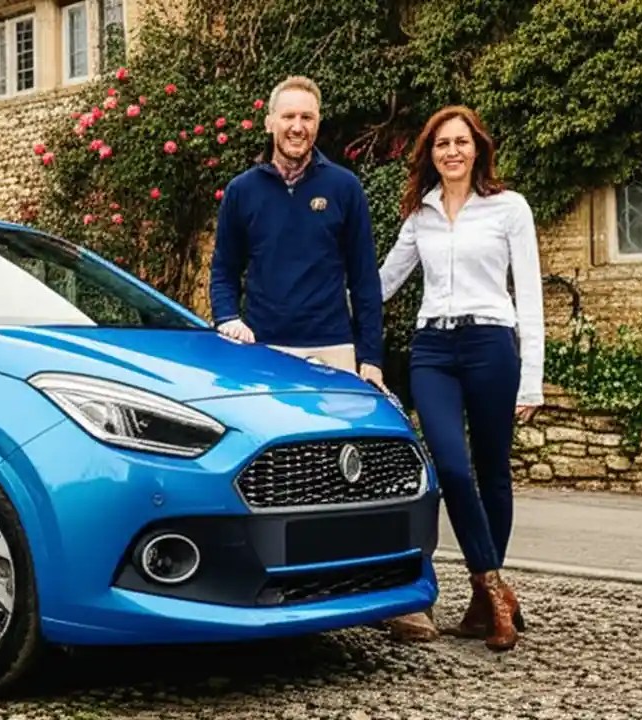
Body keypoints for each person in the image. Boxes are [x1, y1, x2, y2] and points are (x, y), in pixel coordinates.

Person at [209, 75, 438, 643]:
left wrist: (371, 358)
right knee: (280, 478)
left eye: (307, 118)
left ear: (318, 124)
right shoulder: (243, 190)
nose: (297, 127)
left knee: (369, 475)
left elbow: (365, 280)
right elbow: (222, 270)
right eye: (288, 117)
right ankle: (276, 587)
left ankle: (401, 595)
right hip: (262, 355)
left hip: (333, 350)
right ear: (269, 123)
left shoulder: (343, 188)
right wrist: (226, 319)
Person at [379, 105, 545, 652]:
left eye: (461, 142)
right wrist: (312, 309)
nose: (452, 152)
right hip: (433, 348)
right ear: (431, 154)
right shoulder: (420, 214)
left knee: (493, 470)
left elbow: (531, 294)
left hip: (491, 344)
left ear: (478, 149)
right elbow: (383, 283)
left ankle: (482, 605)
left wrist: (531, 379)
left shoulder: (509, 208)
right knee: (450, 464)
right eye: (441, 144)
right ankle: (495, 588)